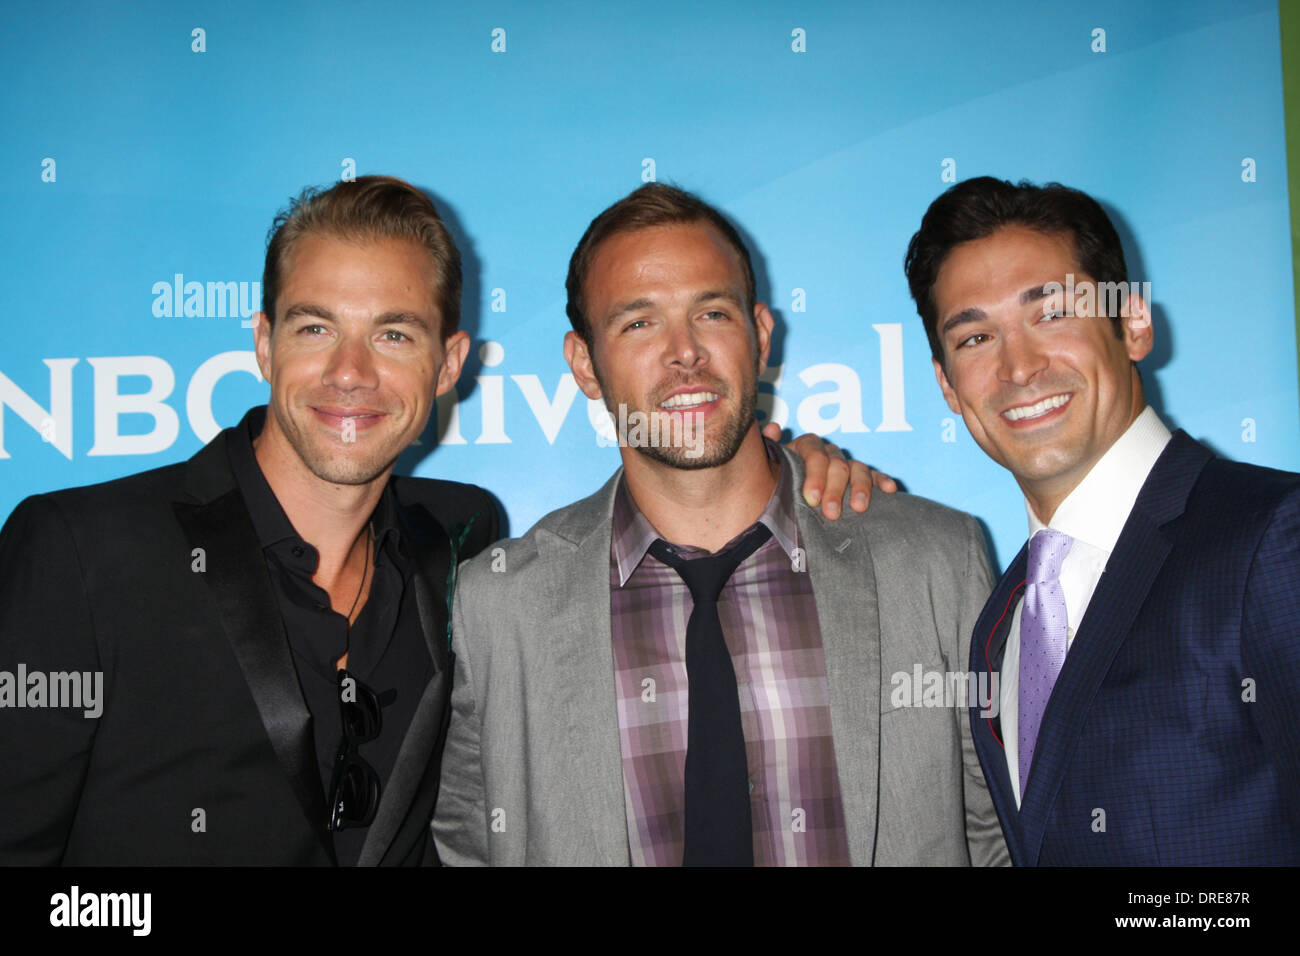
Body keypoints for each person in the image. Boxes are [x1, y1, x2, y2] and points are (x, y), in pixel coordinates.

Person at [0, 175, 876, 866]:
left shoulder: (462, 543)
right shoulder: (85, 550)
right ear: (264, 343)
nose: (351, 373)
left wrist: (793, 467)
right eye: (315, 329)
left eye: (394, 334)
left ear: (449, 362)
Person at [432, 183, 1007, 866]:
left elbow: (1003, 838)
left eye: (711, 313)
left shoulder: (935, 561)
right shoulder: (501, 606)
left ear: (759, 335)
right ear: (585, 363)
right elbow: (464, 852)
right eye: (639, 323)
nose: (685, 353)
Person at [904, 175, 1300, 865]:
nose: (1019, 368)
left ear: (1134, 323)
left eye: (1052, 313)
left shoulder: (1273, 537)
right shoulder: (1003, 619)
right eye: (975, 338)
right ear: (947, 386)